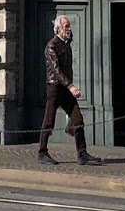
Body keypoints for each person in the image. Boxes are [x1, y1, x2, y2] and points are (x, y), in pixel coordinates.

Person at [37, 15, 100, 166]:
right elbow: (57, 71)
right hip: (55, 88)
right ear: (58, 28)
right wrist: (71, 86)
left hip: (65, 89)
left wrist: (69, 86)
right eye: (66, 26)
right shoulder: (51, 46)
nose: (69, 29)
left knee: (77, 119)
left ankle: (82, 154)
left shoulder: (66, 45)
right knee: (49, 121)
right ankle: (42, 153)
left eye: (69, 26)